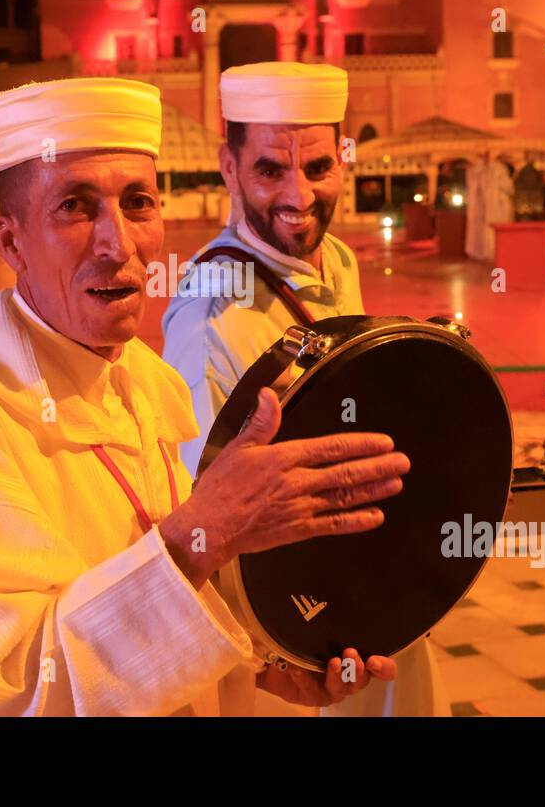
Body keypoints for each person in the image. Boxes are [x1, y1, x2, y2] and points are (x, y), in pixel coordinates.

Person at [0, 76, 409, 716]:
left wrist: (267, 658)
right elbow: (8, 690)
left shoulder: (144, 378)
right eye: (74, 206)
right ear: (11, 242)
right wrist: (202, 530)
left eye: (138, 204)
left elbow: (168, 602)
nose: (118, 244)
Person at [161, 62, 449, 717]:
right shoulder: (210, 315)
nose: (299, 194)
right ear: (228, 168)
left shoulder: (338, 258)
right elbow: (201, 514)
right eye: (270, 169)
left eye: (318, 168)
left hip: (369, 582)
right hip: (290, 632)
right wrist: (273, 657)